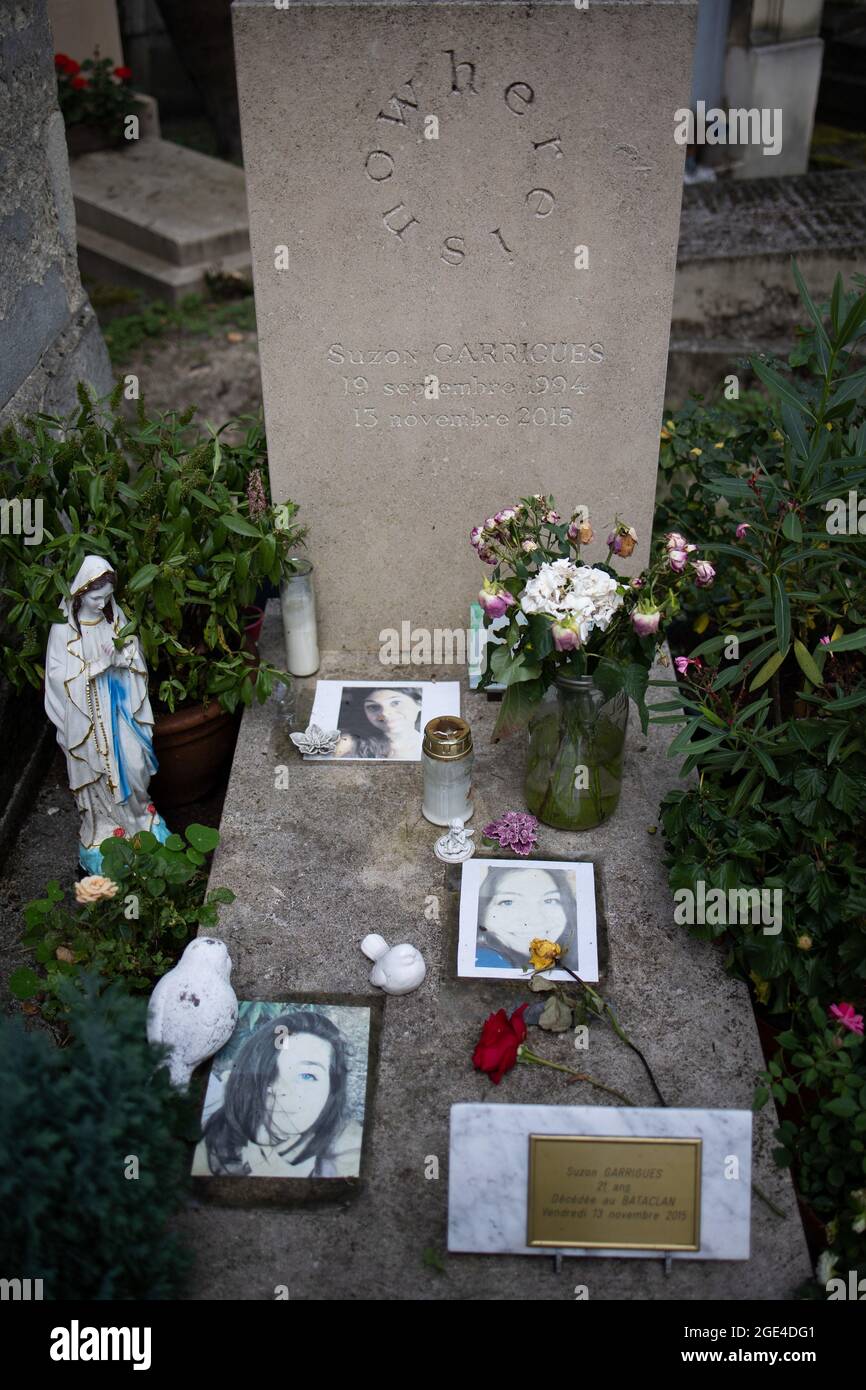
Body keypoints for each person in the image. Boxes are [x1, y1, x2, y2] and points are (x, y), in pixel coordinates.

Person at [44, 555, 170, 872]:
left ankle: (140, 818)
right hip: (88, 718)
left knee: (134, 761)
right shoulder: (64, 631)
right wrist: (99, 666)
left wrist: (128, 656)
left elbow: (131, 649)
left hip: (119, 707)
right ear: (80, 593)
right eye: (96, 597)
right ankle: (105, 831)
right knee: (97, 770)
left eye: (107, 597)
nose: (102, 604)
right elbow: (59, 679)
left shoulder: (112, 618)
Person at [192, 1008, 363, 1178]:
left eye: (306, 1075)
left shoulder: (351, 1151)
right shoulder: (209, 1136)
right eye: (270, 1072)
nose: (280, 1089)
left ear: (332, 1088)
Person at [475, 865, 579, 971]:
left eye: (549, 900)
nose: (535, 919)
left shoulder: (578, 956)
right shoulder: (482, 961)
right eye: (508, 902)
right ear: (482, 911)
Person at [334, 686, 423, 759]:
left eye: (396, 703)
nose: (384, 713)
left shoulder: (429, 747)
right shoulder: (348, 744)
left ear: (419, 704)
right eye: (373, 707)